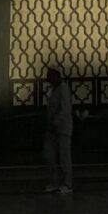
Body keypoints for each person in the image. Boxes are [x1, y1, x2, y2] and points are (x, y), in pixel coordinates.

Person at [43, 65, 73, 194]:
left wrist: (56, 122)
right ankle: (54, 182)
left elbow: (65, 109)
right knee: (50, 156)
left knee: (63, 157)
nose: (47, 77)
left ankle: (67, 183)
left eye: (49, 75)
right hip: (52, 129)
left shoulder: (63, 88)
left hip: (62, 129)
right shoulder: (55, 89)